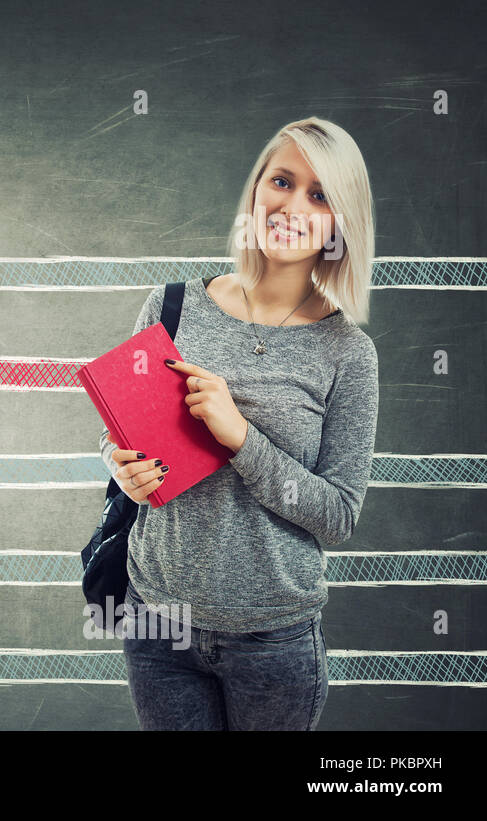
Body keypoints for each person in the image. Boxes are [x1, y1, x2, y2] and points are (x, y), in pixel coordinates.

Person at [99, 117, 380, 730]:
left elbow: (339, 516)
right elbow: (125, 429)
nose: (291, 204)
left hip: (274, 641)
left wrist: (243, 441)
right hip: (160, 627)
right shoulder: (171, 306)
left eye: (320, 194)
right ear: (256, 189)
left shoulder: (348, 355)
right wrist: (121, 468)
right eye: (281, 180)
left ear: (341, 222)